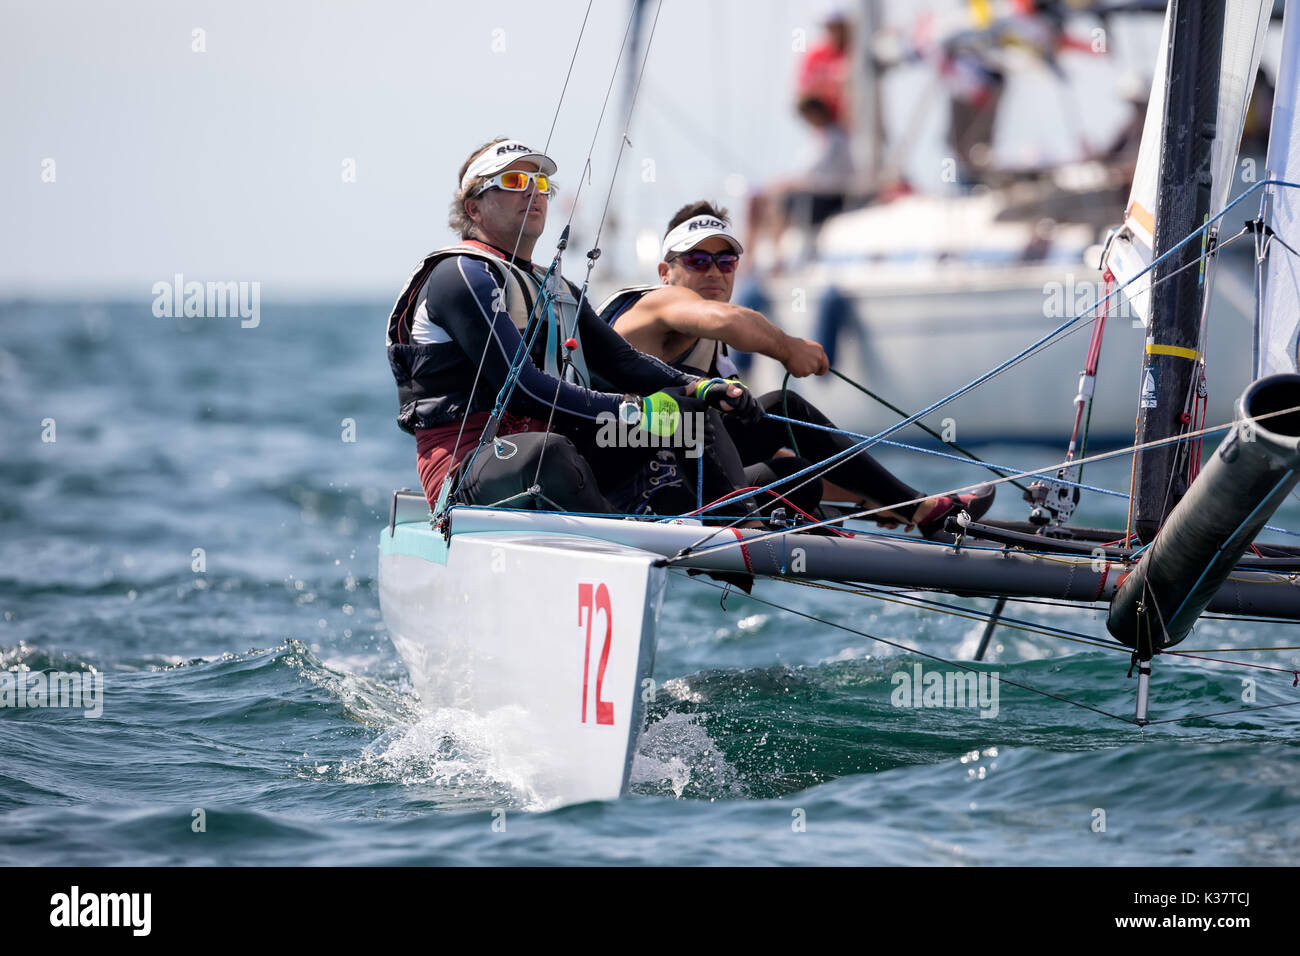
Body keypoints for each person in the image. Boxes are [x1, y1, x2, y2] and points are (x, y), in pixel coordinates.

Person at [384, 138, 804, 522]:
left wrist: (695, 387)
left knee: (686, 415)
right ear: (473, 208)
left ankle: (737, 529)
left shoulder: (553, 287)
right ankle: (622, 535)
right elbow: (523, 388)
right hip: (469, 468)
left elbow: (621, 360)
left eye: (540, 182)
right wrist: (630, 410)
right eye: (513, 180)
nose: (532, 191)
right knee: (550, 453)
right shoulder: (460, 275)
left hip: (557, 457)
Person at [599, 201, 995, 537]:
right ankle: (922, 510)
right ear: (665, 272)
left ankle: (909, 508)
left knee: (792, 473)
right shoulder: (655, 305)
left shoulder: (711, 341)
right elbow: (726, 320)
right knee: (782, 405)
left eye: (726, 261)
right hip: (625, 474)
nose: (715, 272)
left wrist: (869, 499)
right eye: (698, 260)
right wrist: (789, 349)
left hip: (686, 471)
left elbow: (753, 442)